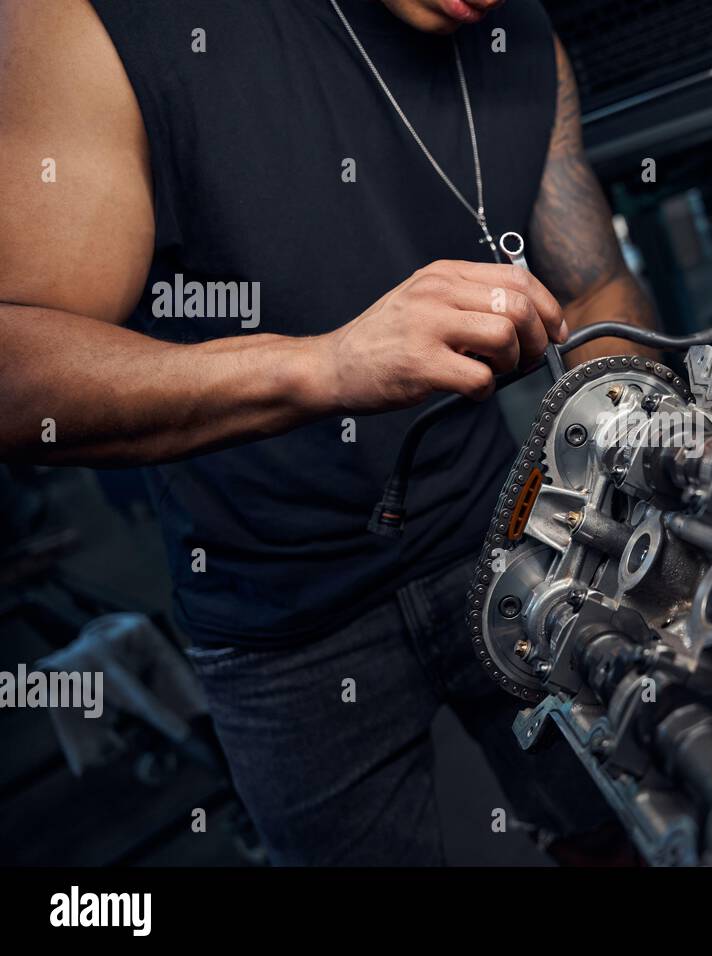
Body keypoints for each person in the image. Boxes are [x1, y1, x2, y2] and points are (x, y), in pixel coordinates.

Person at [0, 0, 656, 864]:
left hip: (509, 544)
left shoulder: (525, 39)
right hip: (279, 620)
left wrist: (638, 445)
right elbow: (18, 374)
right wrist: (328, 364)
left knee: (635, 831)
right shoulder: (102, 20)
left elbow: (597, 286)